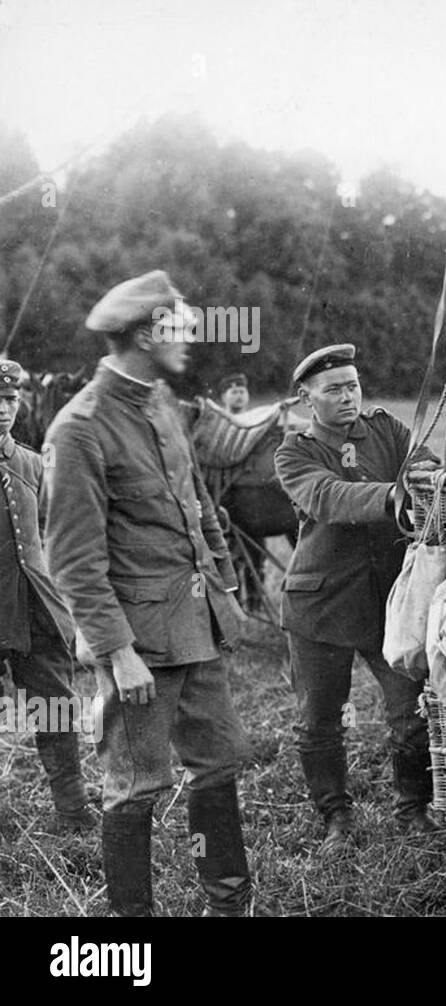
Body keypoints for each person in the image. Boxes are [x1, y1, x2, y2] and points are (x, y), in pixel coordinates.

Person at [43, 270, 255, 916]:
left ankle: (228, 903)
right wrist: (118, 651)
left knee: (217, 767)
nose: (190, 340)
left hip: (197, 627)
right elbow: (74, 561)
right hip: (139, 642)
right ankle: (132, 931)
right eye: (178, 329)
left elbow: (200, 511)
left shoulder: (161, 402)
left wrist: (224, 589)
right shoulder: (78, 429)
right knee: (135, 787)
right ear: (143, 333)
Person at [274, 343, 440, 853]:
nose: (347, 397)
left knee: (412, 711)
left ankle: (414, 810)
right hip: (319, 606)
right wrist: (393, 494)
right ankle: (336, 818)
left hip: (388, 605)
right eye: (333, 390)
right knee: (320, 720)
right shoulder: (294, 451)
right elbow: (325, 496)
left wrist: (430, 474)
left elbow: (425, 462)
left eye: (353, 386)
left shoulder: (387, 430)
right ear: (307, 400)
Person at [0, 358, 96, 832]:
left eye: (10, 399)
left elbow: (52, 533)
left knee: (55, 706)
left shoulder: (33, 464)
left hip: (37, 607)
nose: (3, 409)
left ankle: (73, 812)